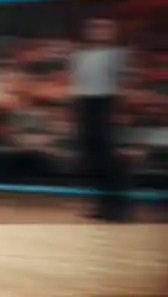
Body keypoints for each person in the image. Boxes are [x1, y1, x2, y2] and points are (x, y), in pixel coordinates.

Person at [70, 17, 131, 221]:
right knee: (92, 158)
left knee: (108, 158)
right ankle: (101, 204)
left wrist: (119, 110)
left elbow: (122, 82)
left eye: (104, 28)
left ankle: (119, 205)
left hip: (106, 104)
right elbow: (77, 84)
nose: (99, 32)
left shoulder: (117, 55)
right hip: (85, 105)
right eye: (95, 28)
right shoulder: (80, 56)